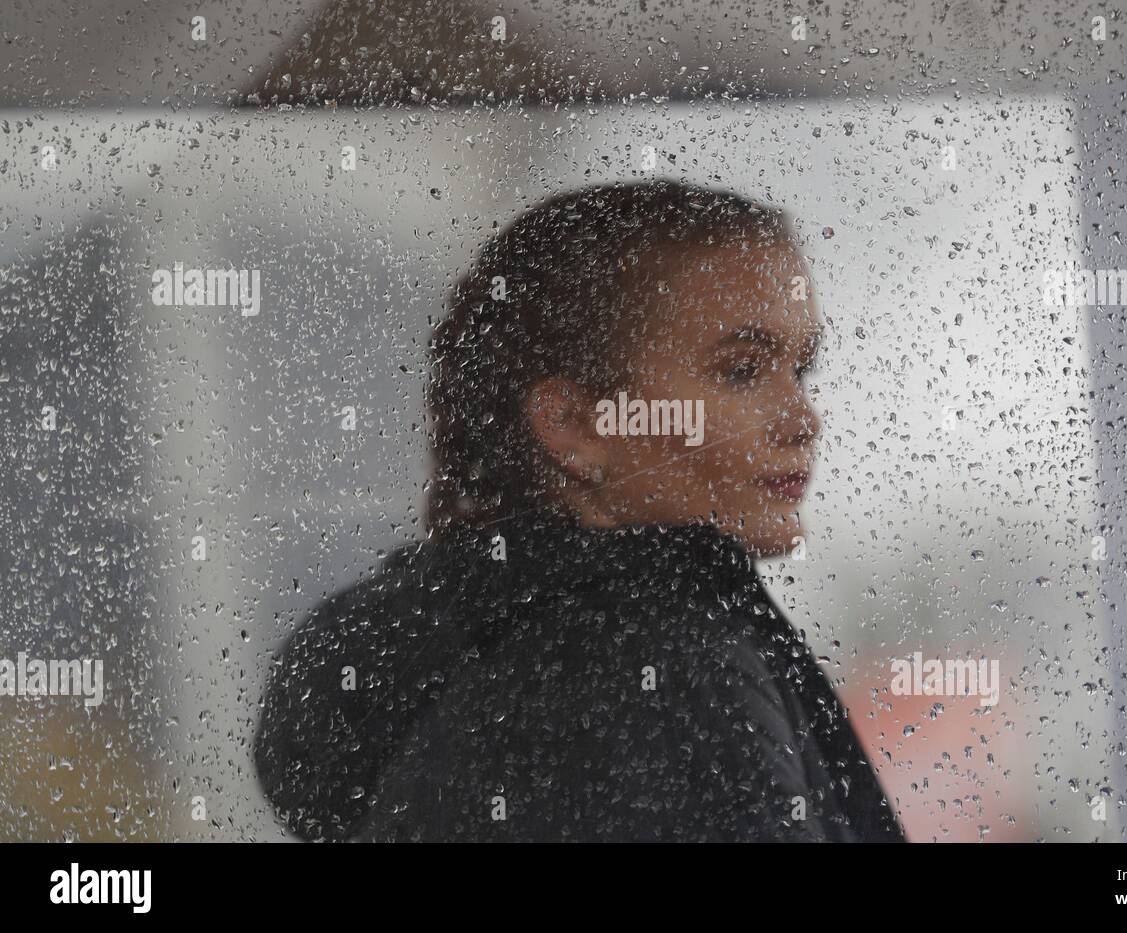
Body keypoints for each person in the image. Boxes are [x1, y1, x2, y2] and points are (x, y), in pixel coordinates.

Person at [254, 180, 904, 842]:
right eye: (742, 370)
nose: (802, 419)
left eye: (800, 369)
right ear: (574, 426)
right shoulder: (664, 673)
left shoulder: (501, 660)